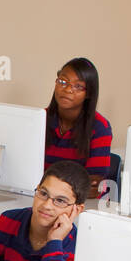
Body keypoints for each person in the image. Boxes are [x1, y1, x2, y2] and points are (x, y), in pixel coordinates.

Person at [44, 57, 111, 198]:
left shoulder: (99, 128)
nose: (68, 89)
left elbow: (94, 187)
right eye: (63, 81)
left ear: (88, 93)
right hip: (39, 198)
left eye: (78, 86)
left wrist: (50, 188)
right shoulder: (39, 119)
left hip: (78, 206)